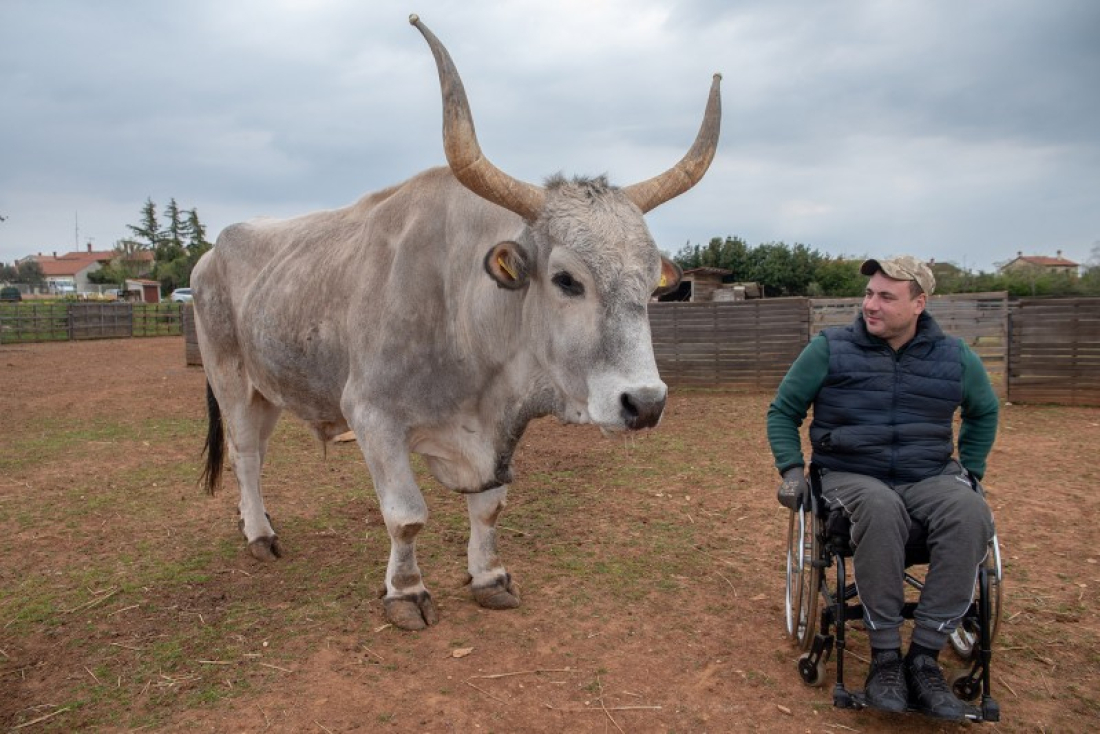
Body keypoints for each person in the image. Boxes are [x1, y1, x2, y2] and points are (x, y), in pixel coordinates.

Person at [767, 256, 999, 721]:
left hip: (928, 475)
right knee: (880, 505)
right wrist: (791, 470)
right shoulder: (829, 348)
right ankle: (886, 658)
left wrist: (971, 472)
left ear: (918, 304)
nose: (870, 304)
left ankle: (924, 659)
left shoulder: (954, 356)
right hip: (849, 473)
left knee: (971, 511)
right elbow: (783, 411)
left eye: (886, 297)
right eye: (869, 294)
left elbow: (984, 411)